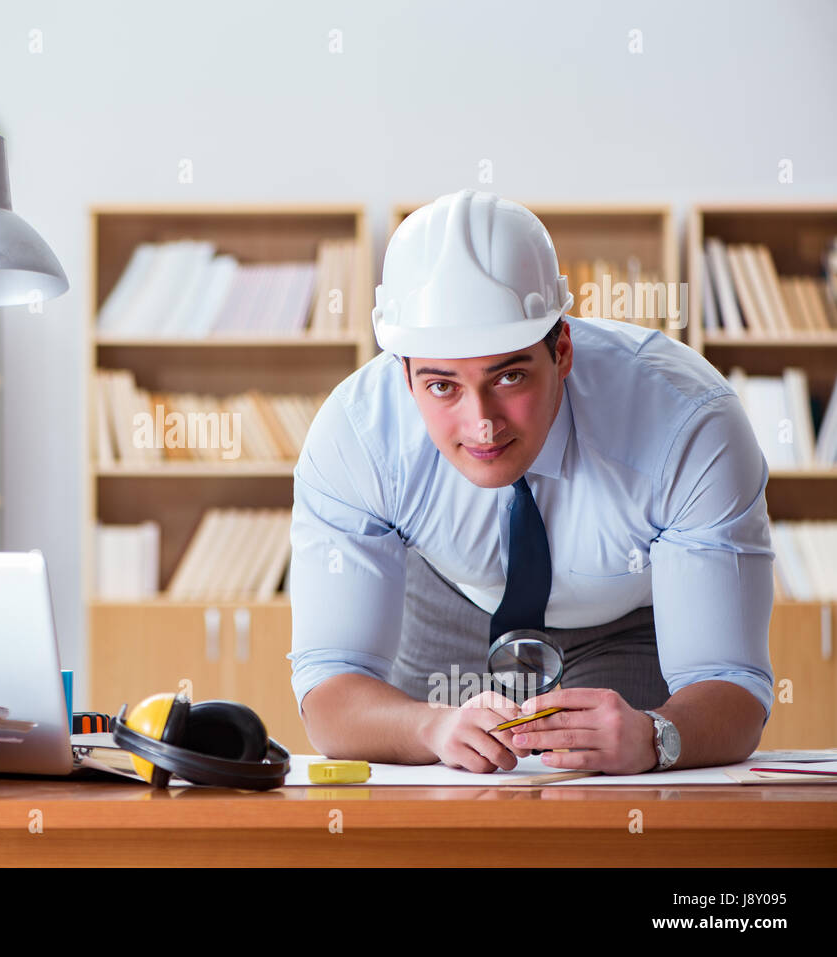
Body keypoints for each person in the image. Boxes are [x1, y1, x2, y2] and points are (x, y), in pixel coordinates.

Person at [288, 189, 773, 775]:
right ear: (404, 374)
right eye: (442, 386)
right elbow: (330, 690)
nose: (482, 423)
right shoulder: (357, 436)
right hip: (450, 599)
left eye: (510, 376)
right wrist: (430, 724)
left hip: (623, 621)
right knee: (439, 801)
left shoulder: (689, 425)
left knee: (615, 816)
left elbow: (731, 687)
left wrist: (655, 735)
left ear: (562, 349)